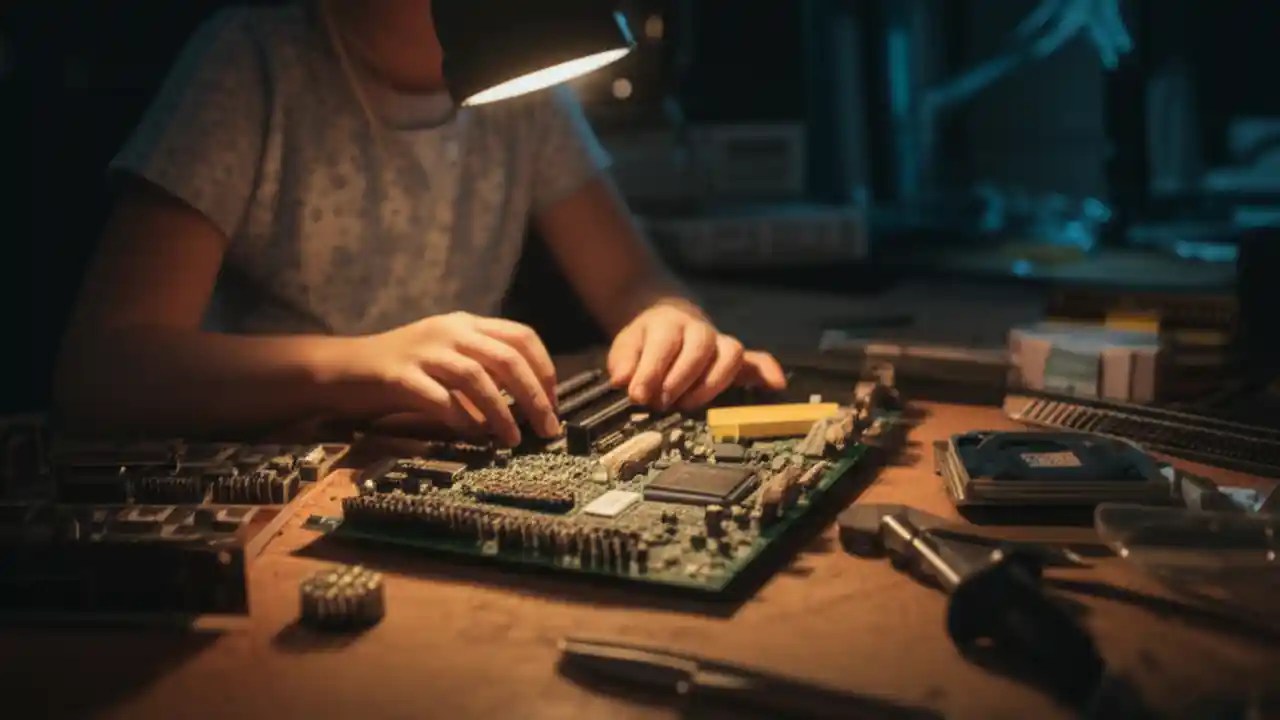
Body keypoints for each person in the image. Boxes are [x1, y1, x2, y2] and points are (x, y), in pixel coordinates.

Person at [52, 0, 786, 446]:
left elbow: (630, 280)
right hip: (274, 484)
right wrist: (364, 365)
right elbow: (106, 372)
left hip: (435, 472)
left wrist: (670, 320)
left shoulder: (520, 80)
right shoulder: (252, 65)